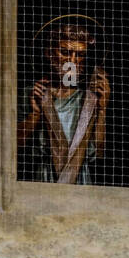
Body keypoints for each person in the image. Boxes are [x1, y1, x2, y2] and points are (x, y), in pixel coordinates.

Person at [17, 15, 110, 184]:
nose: (72, 61)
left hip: (79, 178)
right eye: (65, 52)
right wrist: (35, 115)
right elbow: (13, 145)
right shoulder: (33, 94)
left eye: (79, 54)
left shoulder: (88, 99)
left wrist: (102, 109)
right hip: (43, 177)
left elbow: (98, 152)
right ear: (49, 52)